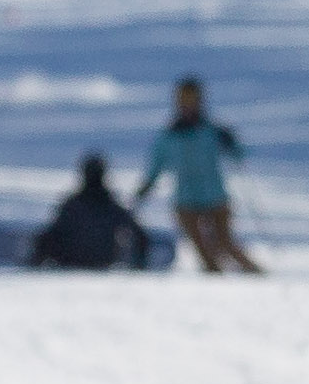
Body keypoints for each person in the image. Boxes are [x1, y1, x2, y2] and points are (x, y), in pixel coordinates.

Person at [134, 79, 262, 271]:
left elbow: (238, 156)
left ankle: (258, 277)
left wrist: (231, 141)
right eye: (183, 99)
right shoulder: (170, 136)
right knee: (204, 252)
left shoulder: (212, 131)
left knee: (226, 244)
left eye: (192, 98)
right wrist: (145, 189)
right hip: (186, 201)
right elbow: (156, 166)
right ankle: (218, 286)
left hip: (215, 197)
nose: (188, 104)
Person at [31, 150, 152, 269]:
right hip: (103, 260)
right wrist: (139, 264)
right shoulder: (112, 205)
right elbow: (141, 236)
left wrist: (36, 260)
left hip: (71, 260)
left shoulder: (72, 205)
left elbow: (50, 235)